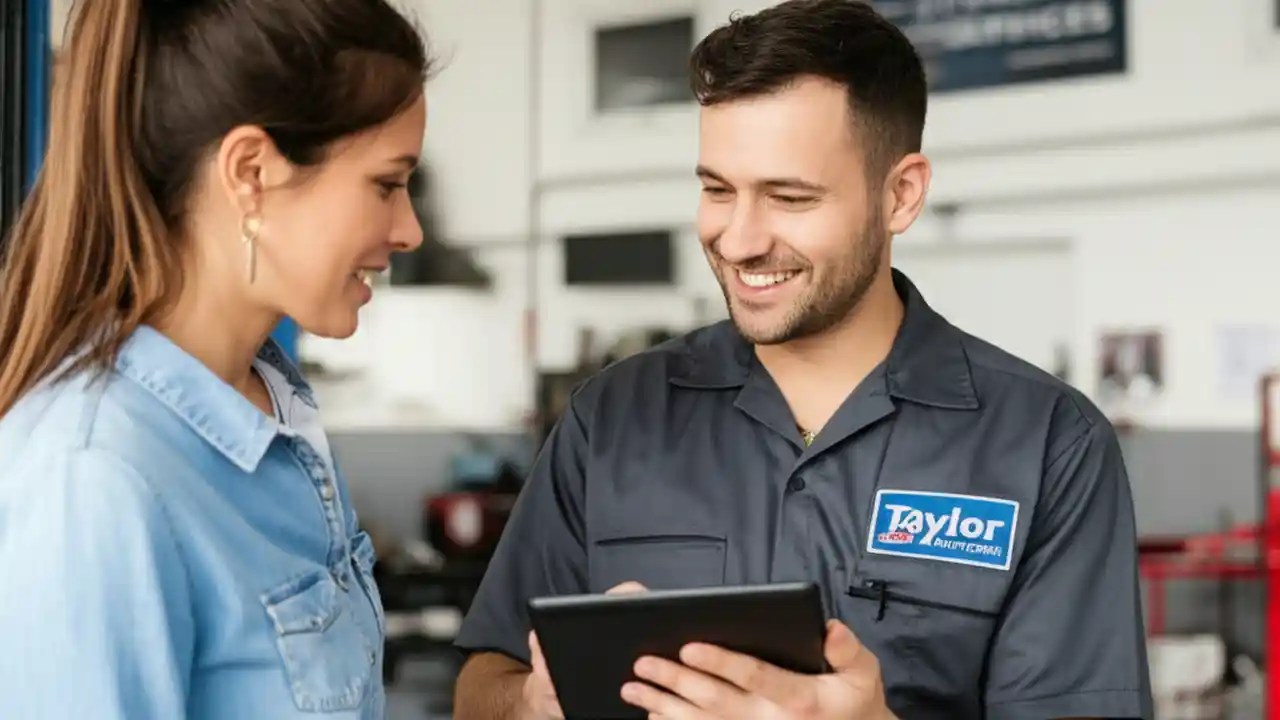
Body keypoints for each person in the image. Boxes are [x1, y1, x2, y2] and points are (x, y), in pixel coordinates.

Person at [452, 1, 1152, 719]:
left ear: (901, 195)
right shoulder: (615, 417)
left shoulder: (1046, 447)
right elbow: (485, 677)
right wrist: (530, 705)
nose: (739, 239)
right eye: (717, 189)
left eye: (789, 196)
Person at [0, 0, 432, 717]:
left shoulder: (276, 421)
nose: (410, 229)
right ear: (252, 172)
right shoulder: (94, 479)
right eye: (386, 184)